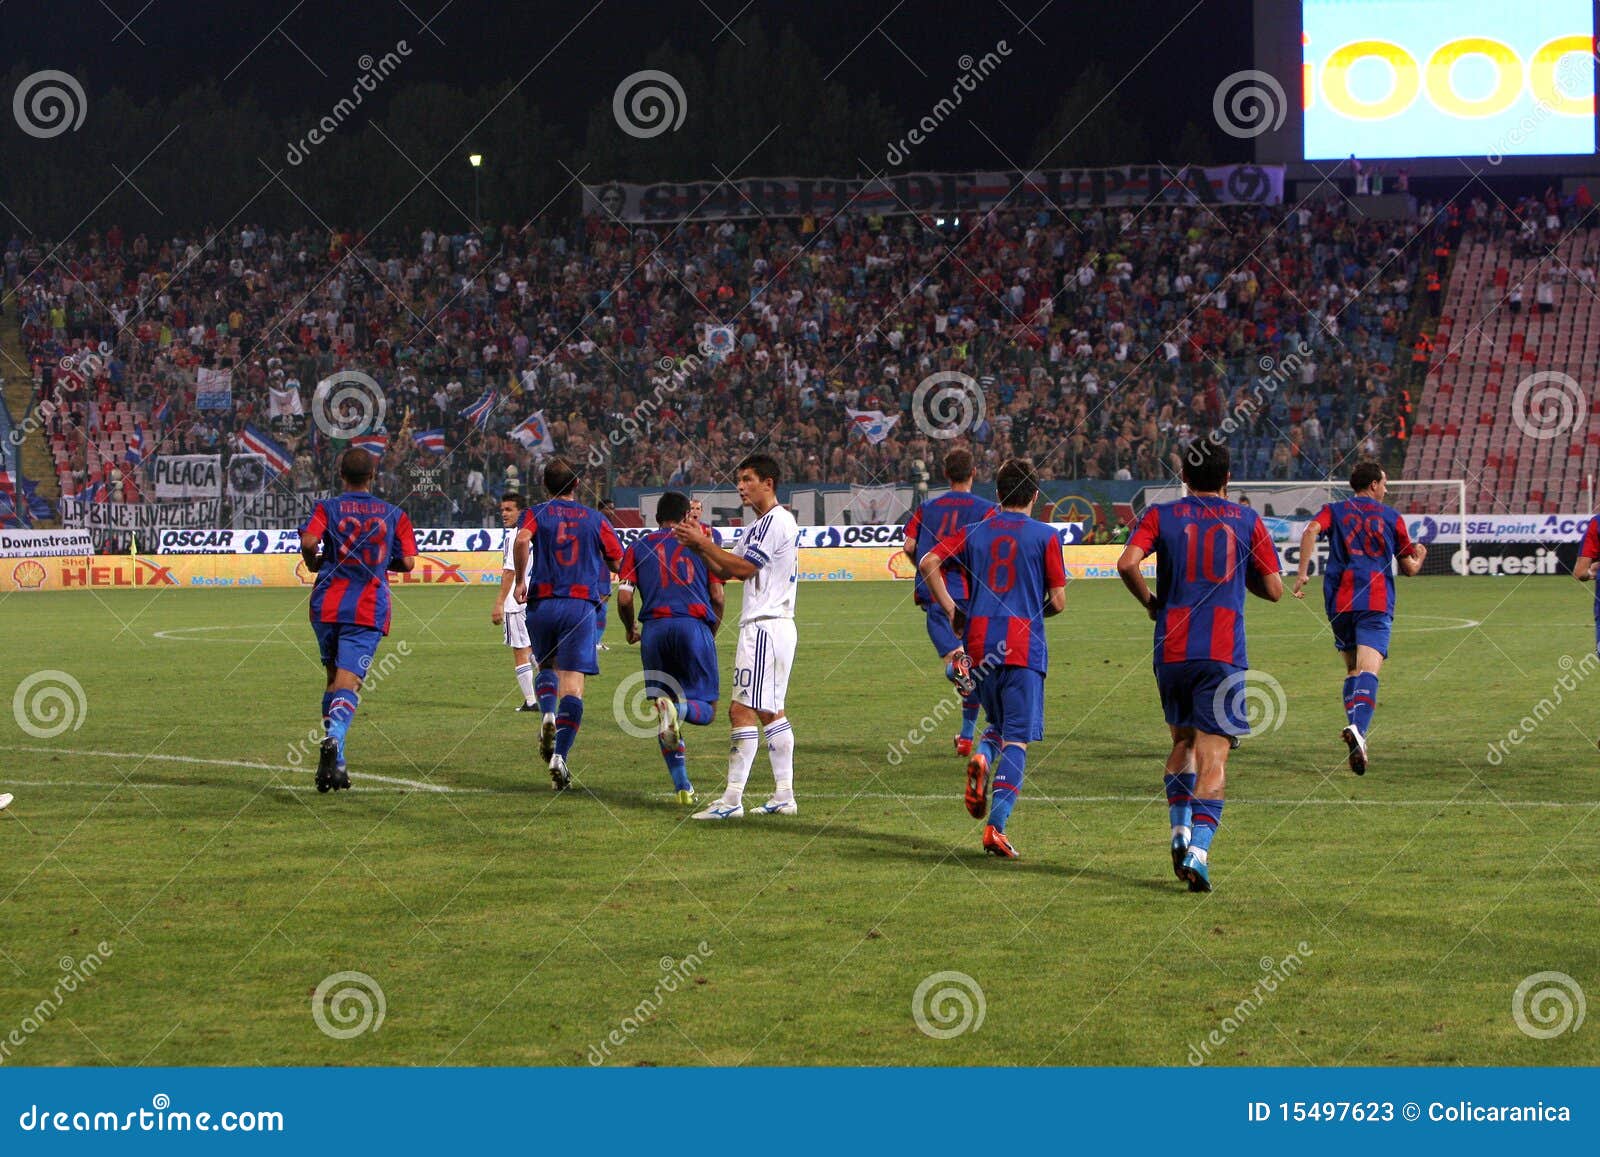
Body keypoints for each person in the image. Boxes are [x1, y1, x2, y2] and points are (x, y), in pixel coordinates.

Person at [1116, 439, 1283, 892]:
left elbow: (1126, 563)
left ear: (1184, 478)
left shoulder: (1162, 515)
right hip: (1222, 653)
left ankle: (1179, 831)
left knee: (1182, 742)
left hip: (1171, 649)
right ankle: (1200, 850)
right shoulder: (1247, 519)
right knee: (1215, 754)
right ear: (1228, 478)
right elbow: (1273, 589)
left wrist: (1153, 603)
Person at [919, 457, 1065, 859]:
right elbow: (1059, 601)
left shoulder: (974, 532)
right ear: (1035, 495)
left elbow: (928, 561)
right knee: (1017, 738)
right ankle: (996, 828)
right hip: (1023, 647)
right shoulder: (1046, 537)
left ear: (997, 494)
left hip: (980, 644)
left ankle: (982, 755)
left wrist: (951, 609)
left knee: (997, 722)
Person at [673, 453, 801, 819]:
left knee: (739, 709)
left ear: (768, 483)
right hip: (774, 625)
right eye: (739, 480)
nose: (740, 486)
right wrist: (698, 545)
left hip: (764, 625)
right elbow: (726, 569)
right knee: (770, 711)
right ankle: (784, 795)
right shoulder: (758, 526)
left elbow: (744, 569)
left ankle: (731, 801)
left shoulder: (774, 522)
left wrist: (701, 543)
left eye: (747, 479)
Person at [1292, 463, 1426, 775]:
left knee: (1352, 669)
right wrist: (1419, 555)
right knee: (1369, 669)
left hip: (1338, 599)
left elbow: (1310, 529)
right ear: (1374, 485)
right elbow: (1408, 569)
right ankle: (1359, 731)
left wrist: (1302, 573)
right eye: (1385, 483)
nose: (1386, 490)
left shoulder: (1334, 510)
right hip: (1375, 598)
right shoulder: (1390, 517)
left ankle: (1356, 731)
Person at [299, 448, 418, 793]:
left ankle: (336, 765)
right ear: (373, 476)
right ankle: (334, 740)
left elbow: (309, 541)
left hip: (327, 604)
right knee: (350, 685)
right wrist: (384, 565)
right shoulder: (393, 513)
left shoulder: (327, 507)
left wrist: (313, 562)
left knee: (334, 680)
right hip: (366, 607)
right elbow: (409, 562)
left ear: (340, 474)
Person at [512, 458, 624, 790]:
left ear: (545, 486)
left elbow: (521, 540)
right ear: (577, 484)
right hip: (580, 606)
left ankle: (547, 714)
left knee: (546, 664)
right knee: (573, 687)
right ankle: (560, 756)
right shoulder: (596, 518)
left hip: (543, 602)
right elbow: (617, 560)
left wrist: (521, 580)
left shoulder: (535, 512)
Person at [616, 490, 726, 807]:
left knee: (662, 705)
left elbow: (624, 597)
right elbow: (717, 597)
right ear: (684, 517)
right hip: (693, 626)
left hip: (655, 632)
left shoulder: (638, 547)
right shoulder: (700, 543)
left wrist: (629, 629)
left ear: (656, 517)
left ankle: (683, 786)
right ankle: (679, 711)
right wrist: (711, 631)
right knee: (706, 710)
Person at [900, 448, 997, 755]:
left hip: (937, 595)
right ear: (974, 473)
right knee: (970, 668)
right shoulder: (987, 509)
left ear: (945, 474)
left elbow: (910, 544)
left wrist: (922, 567)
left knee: (963, 668)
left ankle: (968, 731)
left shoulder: (927, 508)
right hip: (971, 595)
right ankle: (967, 737)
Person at [491, 492, 540, 712]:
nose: (504, 513)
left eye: (509, 509)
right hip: (535, 598)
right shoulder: (535, 533)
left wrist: (499, 602)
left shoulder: (514, 536)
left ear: (521, 511)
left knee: (520, 650)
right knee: (534, 649)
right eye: (502, 509)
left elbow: (510, 571)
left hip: (516, 600)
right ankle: (555, 691)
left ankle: (531, 701)